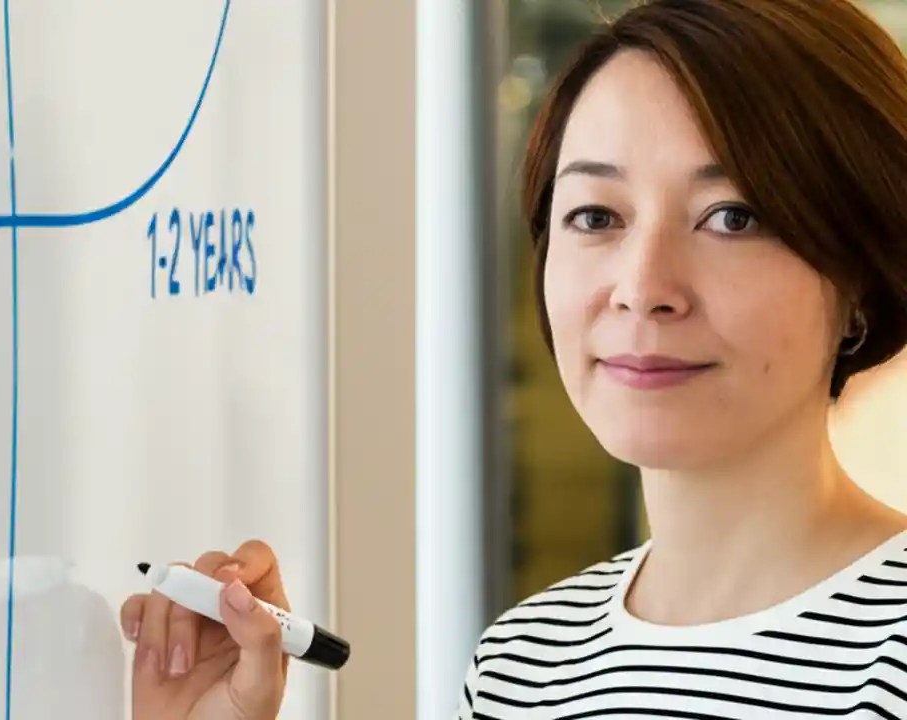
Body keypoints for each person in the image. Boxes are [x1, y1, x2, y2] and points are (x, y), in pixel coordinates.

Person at [119, 0, 907, 716]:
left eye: (733, 216)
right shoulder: (523, 664)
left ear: (860, 279)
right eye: (597, 215)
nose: (643, 288)